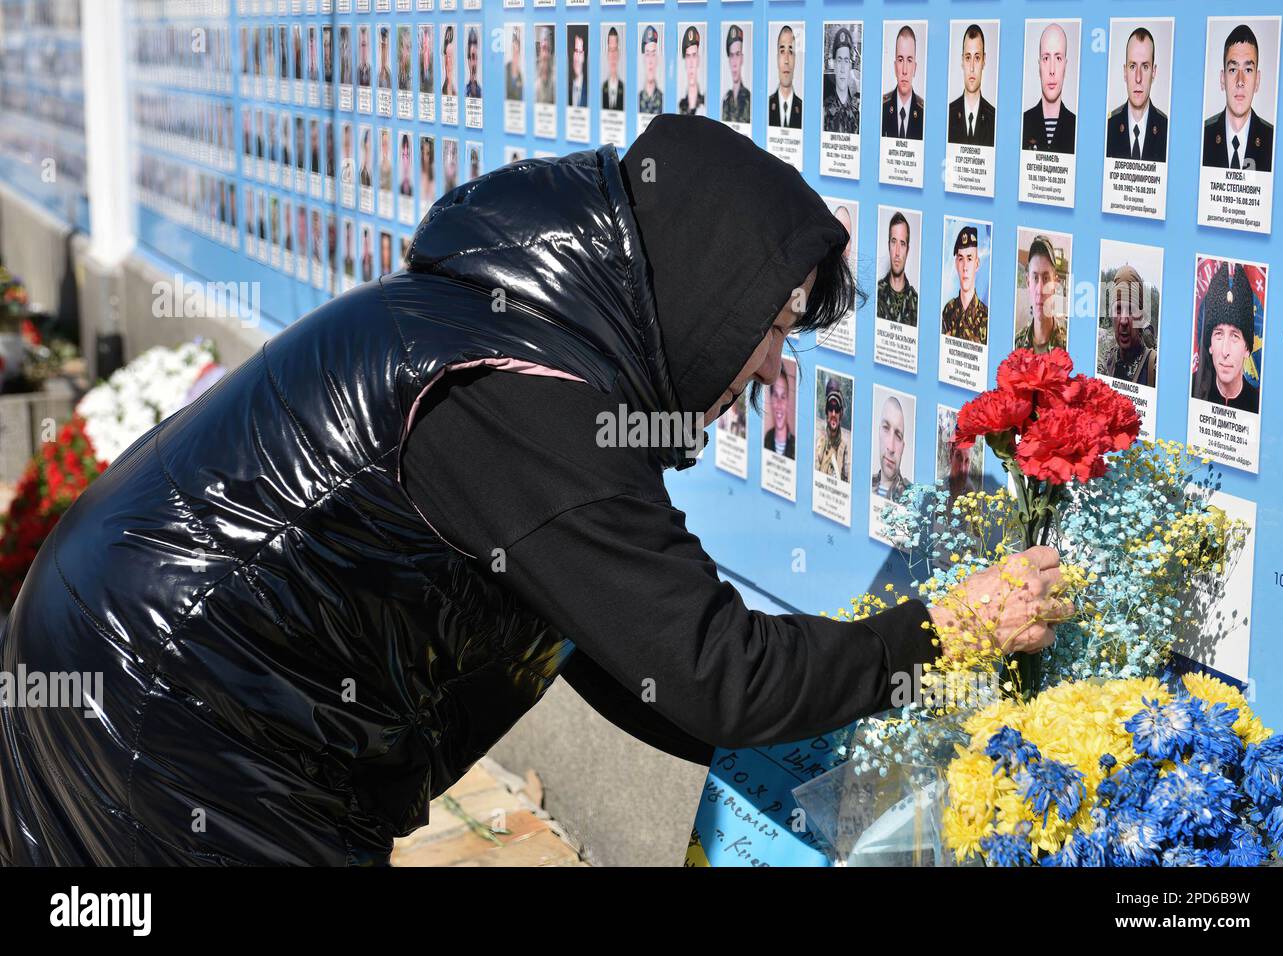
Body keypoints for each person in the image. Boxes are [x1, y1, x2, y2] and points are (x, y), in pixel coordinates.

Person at [0, 116, 1068, 866]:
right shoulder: (528, 398)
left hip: (138, 653)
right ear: (706, 285)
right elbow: (705, 671)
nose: (776, 367)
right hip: (168, 707)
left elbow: (620, 642)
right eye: (776, 324)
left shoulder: (518, 335)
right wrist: (941, 631)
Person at [1202, 24, 1274, 172]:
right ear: (1222, 79)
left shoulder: (1272, 140)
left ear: (1257, 80)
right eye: (1233, 69)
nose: (1240, 81)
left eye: (1248, 70)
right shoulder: (1204, 135)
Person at [1196, 262, 1260, 413]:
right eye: (1218, 334)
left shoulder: (1257, 405)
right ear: (1210, 345)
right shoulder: (1193, 390)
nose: (1225, 351)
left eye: (1235, 336)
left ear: (1247, 348)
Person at [1106, 26, 1168, 162]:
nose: (1138, 78)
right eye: (1132, 66)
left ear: (1154, 72)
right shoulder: (1108, 127)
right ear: (1125, 72)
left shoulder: (1167, 129)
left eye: (1145, 67)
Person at [1098, 264, 1157, 387]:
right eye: (1118, 309)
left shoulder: (1155, 369)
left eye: (1130, 310)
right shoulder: (1105, 366)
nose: (1124, 321)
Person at [1021, 23, 1076, 154]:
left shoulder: (1076, 126)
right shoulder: (1023, 123)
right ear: (1039, 66)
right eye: (1046, 58)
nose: (1052, 70)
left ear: (1065, 66)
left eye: (1058, 58)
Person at [1014, 234, 1068, 354]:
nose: (1040, 290)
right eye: (1035, 278)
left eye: (1046, 278)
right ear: (1028, 283)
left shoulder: (1068, 345)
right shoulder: (1017, 345)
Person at [948, 24, 995, 146]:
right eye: (968, 58)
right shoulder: (948, 115)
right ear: (962, 60)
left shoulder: (994, 119)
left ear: (984, 60)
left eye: (977, 58)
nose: (972, 68)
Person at [940, 225, 988, 344]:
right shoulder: (948, 311)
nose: (965, 267)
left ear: (977, 264)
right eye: (961, 259)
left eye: (970, 259)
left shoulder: (986, 318)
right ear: (956, 263)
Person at [881, 25, 923, 140]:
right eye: (900, 60)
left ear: (915, 68)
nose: (904, 70)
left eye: (909, 60)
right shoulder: (882, 108)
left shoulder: (924, 113)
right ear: (895, 67)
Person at [876, 211, 917, 327]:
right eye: (894, 242)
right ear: (888, 245)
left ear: (907, 250)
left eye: (902, 244)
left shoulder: (916, 302)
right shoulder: (876, 293)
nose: (897, 252)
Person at [872, 395, 911, 502]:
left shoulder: (911, 498)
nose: (891, 447)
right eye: (885, 428)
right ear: (878, 432)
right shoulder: (865, 483)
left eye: (898, 436)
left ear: (903, 448)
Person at [823, 27, 859, 134]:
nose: (843, 68)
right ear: (834, 64)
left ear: (850, 66)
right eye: (839, 60)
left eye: (846, 61)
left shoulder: (857, 111)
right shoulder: (824, 110)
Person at [814, 377, 850, 481]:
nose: (833, 413)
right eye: (830, 408)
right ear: (826, 411)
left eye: (837, 409)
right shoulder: (819, 442)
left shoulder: (845, 448)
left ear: (841, 413)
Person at [769, 25, 802, 129]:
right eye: (782, 51)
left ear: (796, 59)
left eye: (791, 52)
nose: (786, 60)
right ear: (777, 57)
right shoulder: (767, 105)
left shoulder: (802, 108)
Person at [763, 362, 796, 459]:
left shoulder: (795, 445)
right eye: (775, 395)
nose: (779, 403)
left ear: (788, 400)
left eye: (783, 397)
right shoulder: (766, 440)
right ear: (770, 398)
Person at [721, 25, 750, 124]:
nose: (734, 63)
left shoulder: (749, 98)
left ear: (742, 58)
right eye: (731, 55)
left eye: (737, 54)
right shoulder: (726, 100)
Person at [678, 25, 705, 115]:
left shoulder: (705, 104)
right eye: (688, 56)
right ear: (685, 60)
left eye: (694, 55)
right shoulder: (680, 106)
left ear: (698, 59)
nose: (691, 63)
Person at [638, 26, 662, 116]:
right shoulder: (636, 99)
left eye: (653, 54)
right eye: (647, 54)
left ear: (657, 58)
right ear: (643, 58)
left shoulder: (663, 99)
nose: (650, 61)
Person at [602, 27, 624, 111]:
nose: (613, 55)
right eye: (610, 50)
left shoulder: (624, 88)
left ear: (618, 53)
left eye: (615, 50)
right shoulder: (601, 88)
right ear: (607, 53)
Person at [535, 26, 556, 105]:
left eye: (547, 49)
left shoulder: (554, 75)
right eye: (542, 48)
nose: (544, 54)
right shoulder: (535, 70)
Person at [569, 27, 588, 108]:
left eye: (580, 52)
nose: (577, 57)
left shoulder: (590, 89)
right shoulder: (566, 86)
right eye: (575, 51)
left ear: (584, 56)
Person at [506, 28, 524, 102]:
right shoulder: (505, 70)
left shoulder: (520, 75)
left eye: (517, 52)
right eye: (513, 50)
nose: (515, 55)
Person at [465, 27, 481, 99]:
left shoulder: (481, 91)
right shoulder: (465, 91)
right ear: (468, 61)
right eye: (471, 57)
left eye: (475, 58)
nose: (474, 63)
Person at [441, 27, 456, 97]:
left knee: (449, 84)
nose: (448, 36)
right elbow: (446, 61)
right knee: (448, 84)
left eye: (450, 35)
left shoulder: (450, 46)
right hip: (447, 71)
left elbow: (450, 61)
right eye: (447, 34)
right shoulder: (447, 47)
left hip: (449, 71)